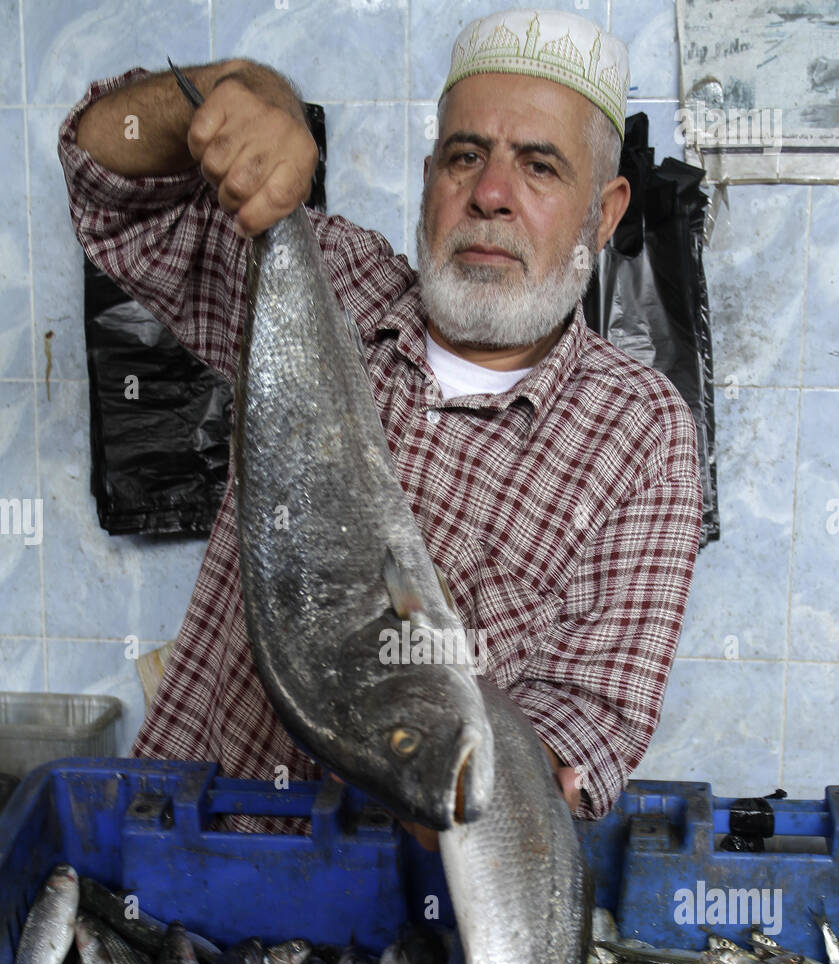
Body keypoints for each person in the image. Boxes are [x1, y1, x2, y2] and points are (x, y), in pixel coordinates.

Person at [58, 8, 703, 850]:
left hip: (397, 904)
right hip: (190, 852)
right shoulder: (325, 277)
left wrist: (433, 771)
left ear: (605, 211)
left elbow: (580, 727)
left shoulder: (640, 435)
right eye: (465, 156)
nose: (490, 194)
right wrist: (236, 94)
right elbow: (102, 178)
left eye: (539, 166)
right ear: (430, 176)